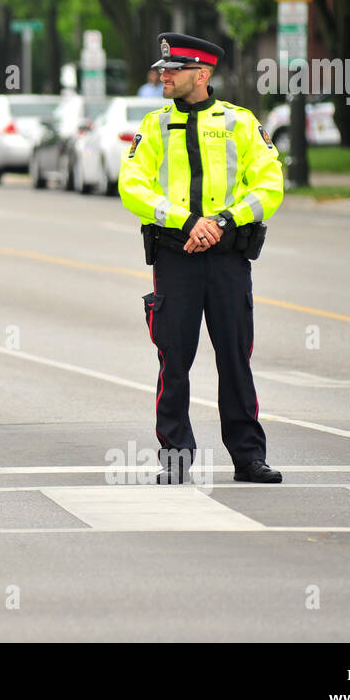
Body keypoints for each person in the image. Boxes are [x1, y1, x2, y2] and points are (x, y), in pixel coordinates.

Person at [118, 32, 285, 485]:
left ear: (202, 75)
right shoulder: (154, 126)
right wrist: (187, 221)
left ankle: (248, 458)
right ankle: (174, 458)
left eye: (173, 71)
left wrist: (224, 223)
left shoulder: (239, 122)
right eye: (163, 69)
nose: (163, 76)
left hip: (229, 259)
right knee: (174, 360)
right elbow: (132, 185)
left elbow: (269, 186)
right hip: (176, 259)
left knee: (235, 358)